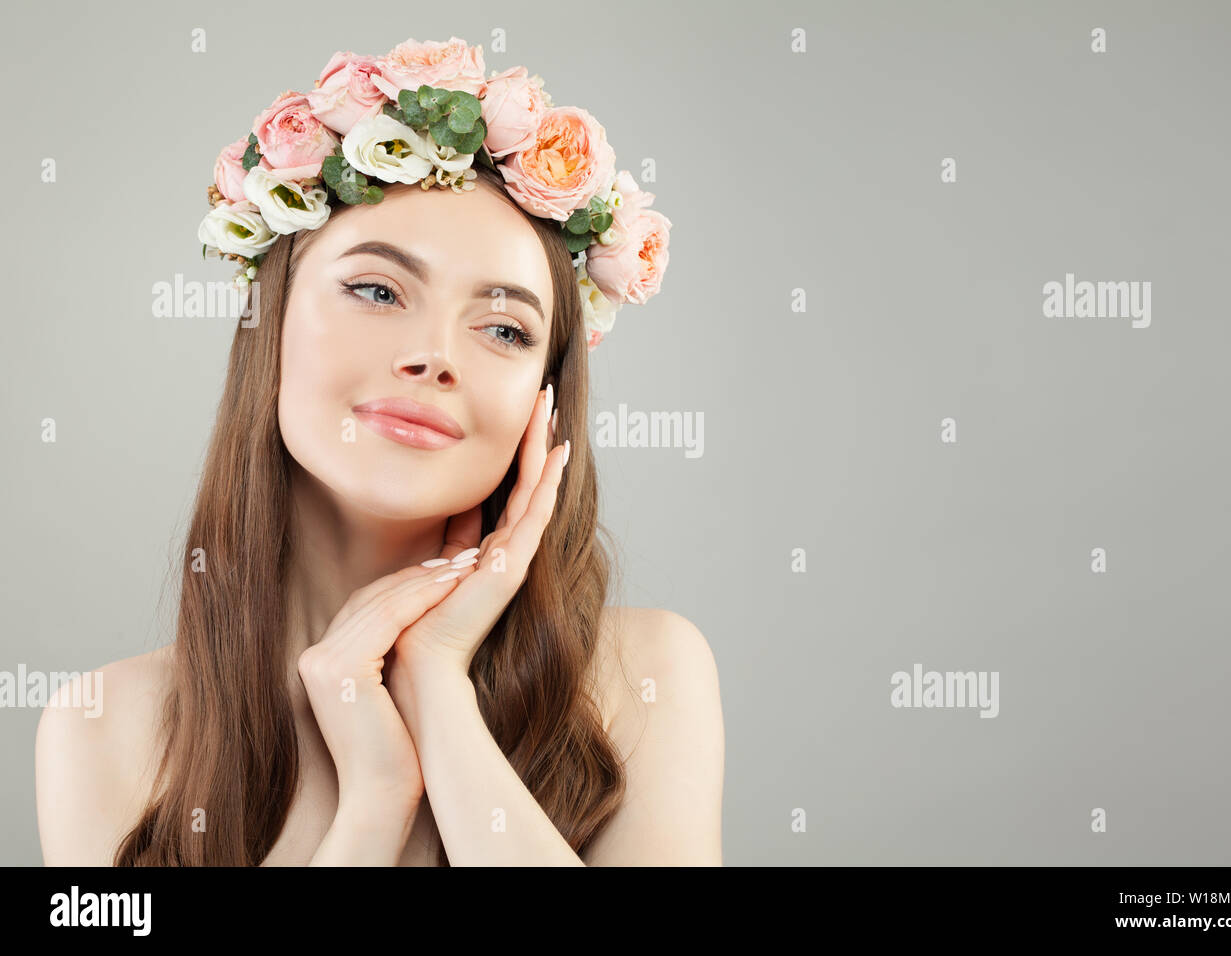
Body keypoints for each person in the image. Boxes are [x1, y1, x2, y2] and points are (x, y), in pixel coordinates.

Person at [34, 37, 722, 866]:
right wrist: (374, 803)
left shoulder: (643, 677)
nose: (435, 356)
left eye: (504, 328)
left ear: (545, 400)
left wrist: (436, 686)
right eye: (376, 290)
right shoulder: (103, 727)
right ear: (271, 327)